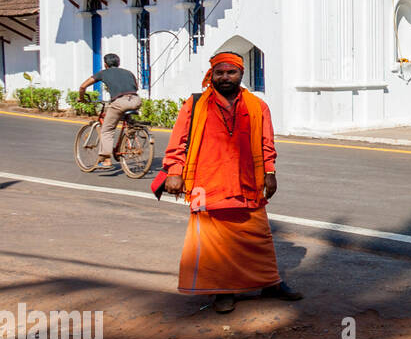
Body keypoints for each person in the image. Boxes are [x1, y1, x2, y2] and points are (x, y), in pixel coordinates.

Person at [162, 51, 301, 314]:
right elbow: (178, 141)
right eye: (220, 73)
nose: (225, 77)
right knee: (214, 243)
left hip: (247, 182)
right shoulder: (194, 104)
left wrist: (270, 172)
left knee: (258, 237)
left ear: (241, 74)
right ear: (211, 75)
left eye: (231, 72)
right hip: (206, 182)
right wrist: (174, 171)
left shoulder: (257, 106)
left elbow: (266, 143)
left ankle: (269, 283)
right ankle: (223, 290)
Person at [78, 53, 142, 169]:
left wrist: (81, 98)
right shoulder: (128, 72)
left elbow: (83, 86)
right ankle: (130, 130)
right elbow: (135, 87)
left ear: (105, 64)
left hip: (120, 102)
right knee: (123, 116)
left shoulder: (103, 73)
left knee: (107, 130)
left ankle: (106, 160)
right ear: (118, 63)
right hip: (136, 100)